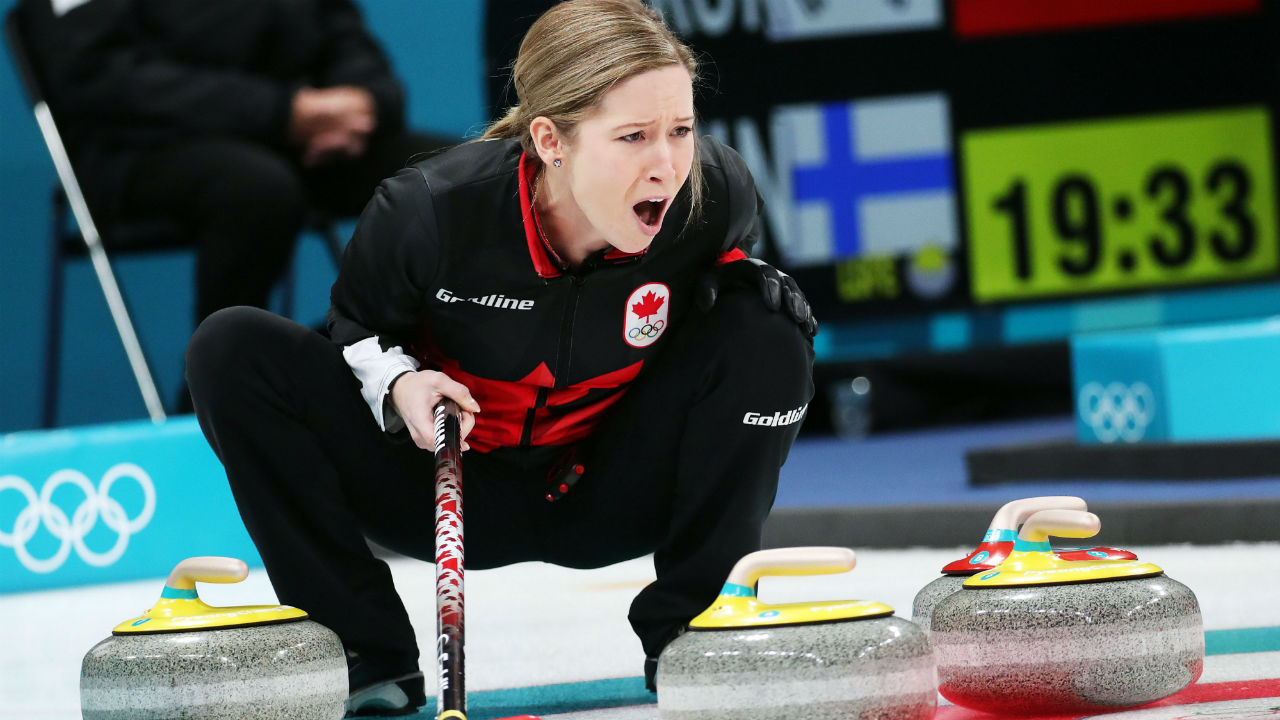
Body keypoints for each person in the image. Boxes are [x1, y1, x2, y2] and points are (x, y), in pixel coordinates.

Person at [185, 0, 817, 715]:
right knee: (231, 347)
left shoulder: (713, 193)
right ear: (551, 140)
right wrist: (401, 384)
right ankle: (366, 659)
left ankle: (695, 630)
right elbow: (355, 332)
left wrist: (749, 297)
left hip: (605, 489)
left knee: (769, 323)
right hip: (447, 485)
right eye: (634, 136)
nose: (667, 165)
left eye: (681, 129)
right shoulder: (430, 211)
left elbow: (726, 313)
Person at [19, 0, 453, 327]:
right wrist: (282, 113)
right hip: (138, 148)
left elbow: (350, 45)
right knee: (255, 187)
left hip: (296, 138)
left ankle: (358, 350)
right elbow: (101, 81)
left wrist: (363, 104)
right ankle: (216, 392)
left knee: (456, 172)